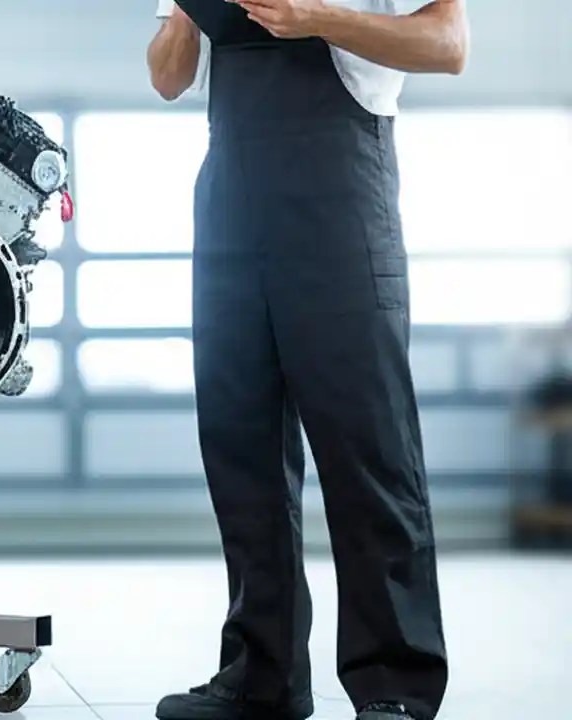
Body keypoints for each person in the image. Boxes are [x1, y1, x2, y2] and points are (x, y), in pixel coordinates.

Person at [145, 1, 469, 719]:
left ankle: (395, 687)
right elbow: (168, 79)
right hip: (231, 189)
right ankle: (262, 677)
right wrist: (186, 15)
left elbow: (449, 44)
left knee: (366, 444)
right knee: (240, 444)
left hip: (340, 183)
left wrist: (315, 16)